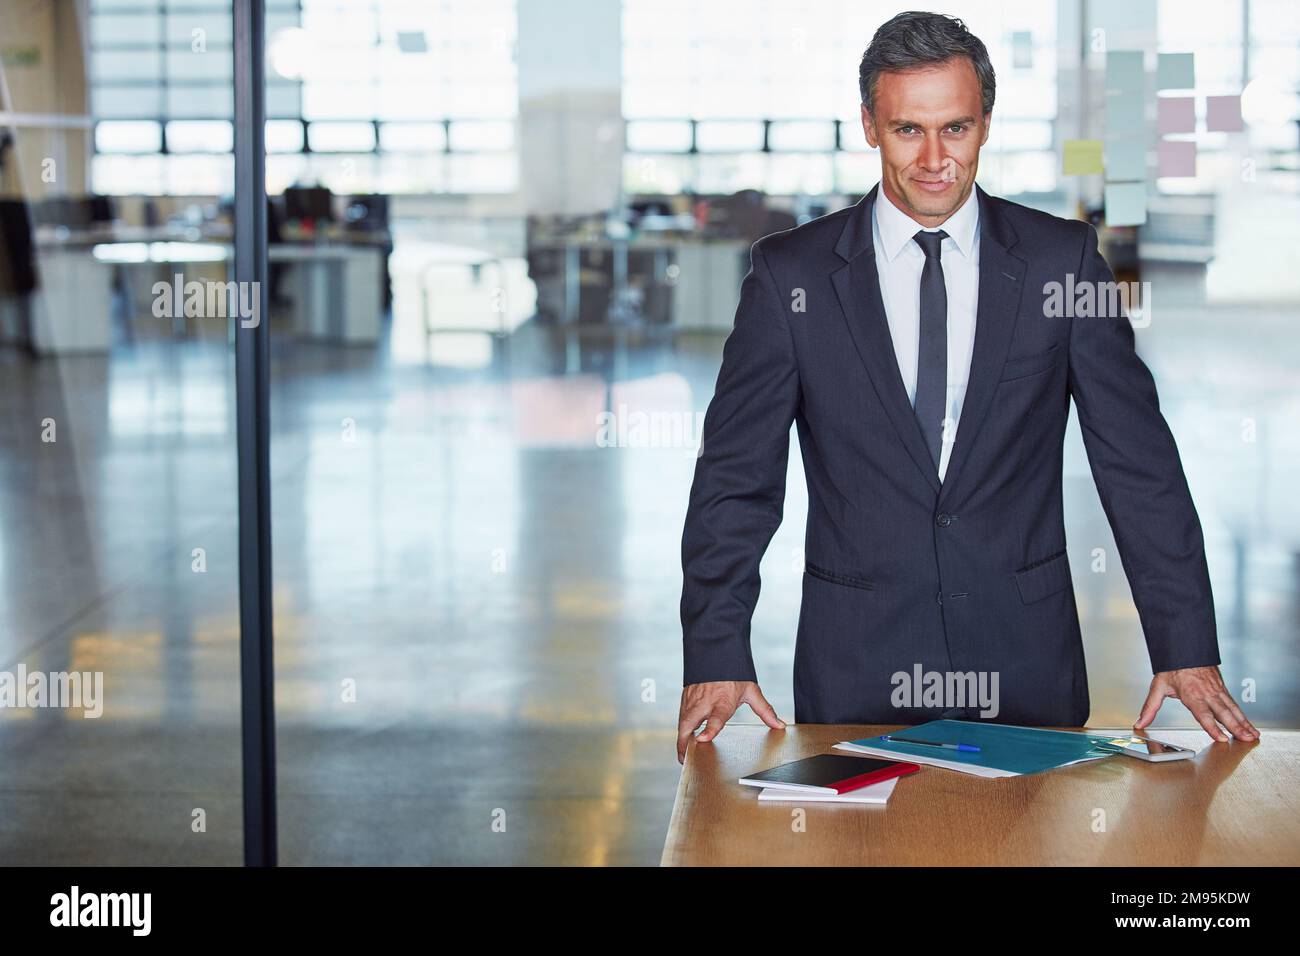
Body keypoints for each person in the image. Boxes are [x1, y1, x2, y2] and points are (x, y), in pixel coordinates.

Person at [677, 11, 1258, 763]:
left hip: (1025, 661)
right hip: (855, 665)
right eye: (907, 130)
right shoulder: (791, 275)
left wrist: (1183, 644)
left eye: (955, 128)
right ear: (868, 125)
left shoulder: (1063, 263)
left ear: (985, 124)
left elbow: (1137, 463)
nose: (933, 159)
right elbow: (736, 478)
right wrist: (717, 649)